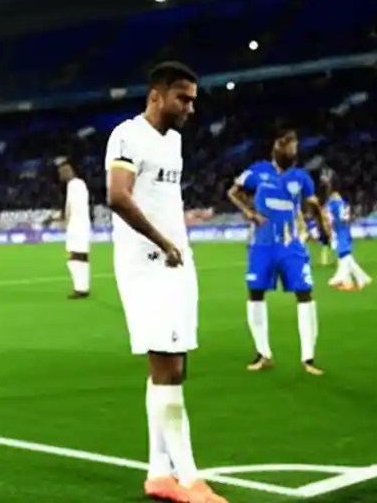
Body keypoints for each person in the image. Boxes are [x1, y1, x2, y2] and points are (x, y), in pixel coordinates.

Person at [104, 61, 227, 503]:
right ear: (156, 95)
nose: (190, 108)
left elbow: (160, 198)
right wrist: (163, 240)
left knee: (175, 368)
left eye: (193, 99)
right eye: (183, 98)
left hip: (176, 261)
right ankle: (191, 480)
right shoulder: (127, 135)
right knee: (168, 369)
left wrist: (181, 228)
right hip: (147, 263)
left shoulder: (173, 142)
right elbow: (118, 196)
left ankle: (159, 472)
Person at [227, 130, 330, 375]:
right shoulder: (258, 172)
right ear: (276, 149)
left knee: (305, 294)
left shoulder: (301, 178)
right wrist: (250, 213)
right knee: (255, 293)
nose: (290, 152)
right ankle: (263, 353)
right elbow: (232, 192)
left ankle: (309, 358)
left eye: (294, 148)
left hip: (291, 245)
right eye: (286, 146)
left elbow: (313, 204)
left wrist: (324, 229)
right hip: (261, 245)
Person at [324, 176, 372, 291]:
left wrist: (329, 225)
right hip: (344, 228)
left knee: (344, 253)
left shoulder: (332, 203)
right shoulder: (343, 202)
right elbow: (346, 217)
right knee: (344, 254)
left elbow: (330, 218)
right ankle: (362, 278)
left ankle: (340, 277)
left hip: (339, 229)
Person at [57, 160, 92, 299]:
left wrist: (65, 219)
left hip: (77, 225)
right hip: (81, 224)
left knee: (75, 256)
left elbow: (72, 207)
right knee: (80, 255)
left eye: (62, 172)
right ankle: (82, 286)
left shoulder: (74, 185)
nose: (60, 175)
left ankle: (80, 287)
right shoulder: (79, 184)